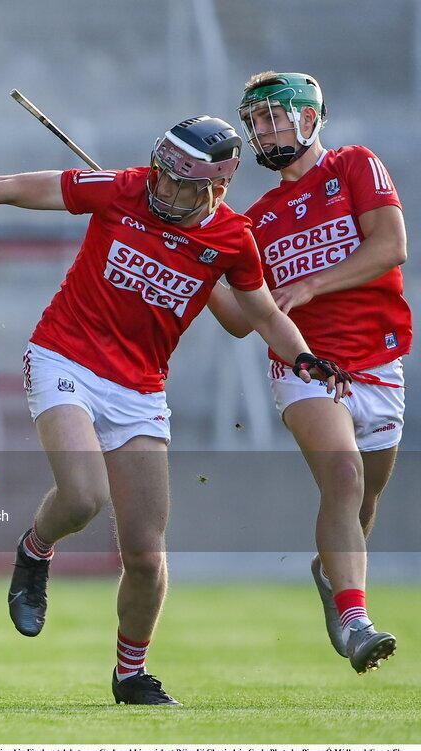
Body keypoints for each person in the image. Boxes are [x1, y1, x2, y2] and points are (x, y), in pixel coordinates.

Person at [0, 115, 351, 705]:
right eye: (161, 173)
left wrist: (304, 356)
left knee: (145, 554)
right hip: (65, 357)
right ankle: (34, 549)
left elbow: (258, 317)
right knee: (85, 497)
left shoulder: (231, 240)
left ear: (216, 188)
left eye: (178, 184)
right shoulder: (120, 188)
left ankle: (130, 674)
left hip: (140, 389)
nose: (161, 188)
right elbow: (9, 187)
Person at [208, 72, 410, 674]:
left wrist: (312, 284)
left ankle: (329, 571)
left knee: (363, 499)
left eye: (275, 117)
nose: (265, 131)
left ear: (310, 117)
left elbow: (390, 245)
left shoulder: (354, 165)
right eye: (257, 122)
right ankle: (356, 621)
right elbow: (240, 321)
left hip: (377, 361)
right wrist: (198, 256)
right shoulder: (253, 222)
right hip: (306, 366)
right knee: (343, 475)